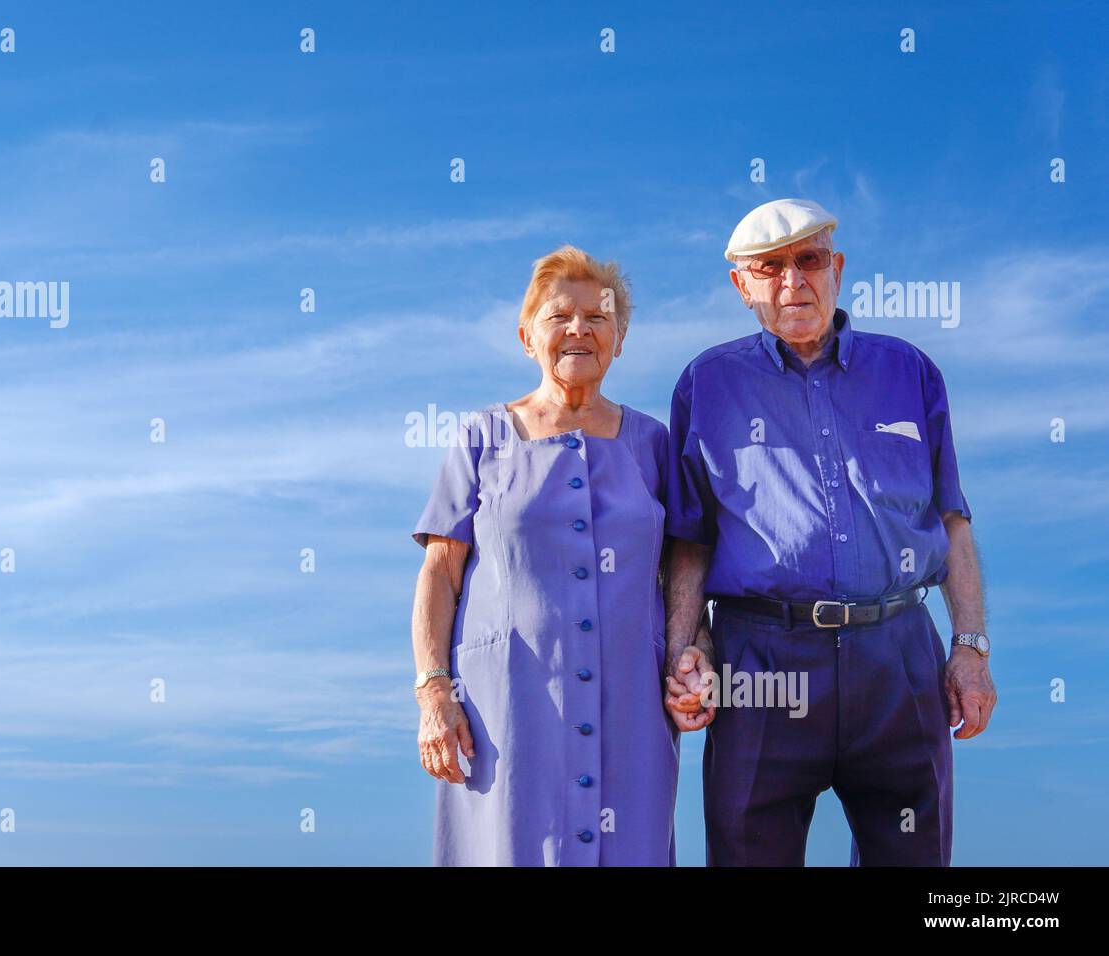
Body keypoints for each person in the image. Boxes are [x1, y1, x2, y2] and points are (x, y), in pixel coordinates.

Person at [662, 198, 997, 866]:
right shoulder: (707, 383)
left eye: (809, 261)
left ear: (836, 268)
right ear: (743, 286)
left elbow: (952, 520)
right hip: (759, 661)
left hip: (900, 658)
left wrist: (971, 646)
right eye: (771, 268)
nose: (793, 282)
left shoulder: (911, 372)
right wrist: (682, 649)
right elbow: (691, 540)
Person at [410, 246, 678, 865]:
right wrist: (433, 694)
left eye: (599, 317)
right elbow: (441, 572)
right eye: (560, 316)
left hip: (630, 710)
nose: (580, 329)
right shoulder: (482, 437)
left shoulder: (654, 445)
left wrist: (695, 655)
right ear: (526, 336)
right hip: (506, 711)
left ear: (620, 338)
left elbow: (681, 571)